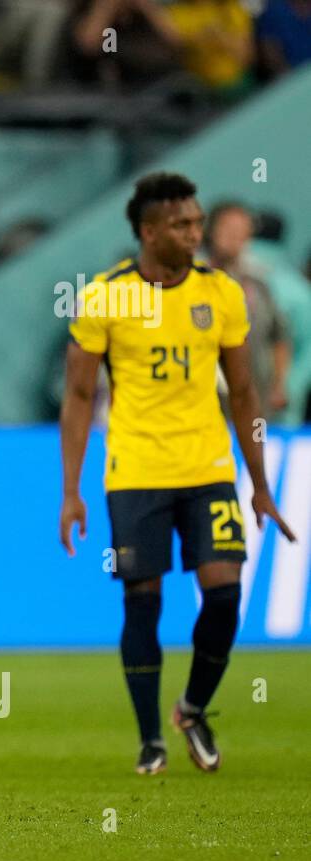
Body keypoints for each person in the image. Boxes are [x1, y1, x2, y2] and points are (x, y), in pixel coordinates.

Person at [60, 172, 295, 776]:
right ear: (147, 231)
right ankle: (150, 741)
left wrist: (261, 483)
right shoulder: (106, 297)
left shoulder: (222, 293)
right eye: (182, 224)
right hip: (135, 471)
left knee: (225, 596)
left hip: (208, 465)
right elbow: (80, 396)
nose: (196, 232)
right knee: (144, 604)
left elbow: (243, 392)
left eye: (197, 222)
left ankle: (191, 708)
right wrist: (71, 490)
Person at [205, 202, 292, 422]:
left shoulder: (258, 283)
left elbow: (279, 337)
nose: (234, 237)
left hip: (254, 395)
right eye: (228, 229)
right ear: (211, 231)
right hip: (204, 395)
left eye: (242, 231)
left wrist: (280, 385)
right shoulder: (191, 279)